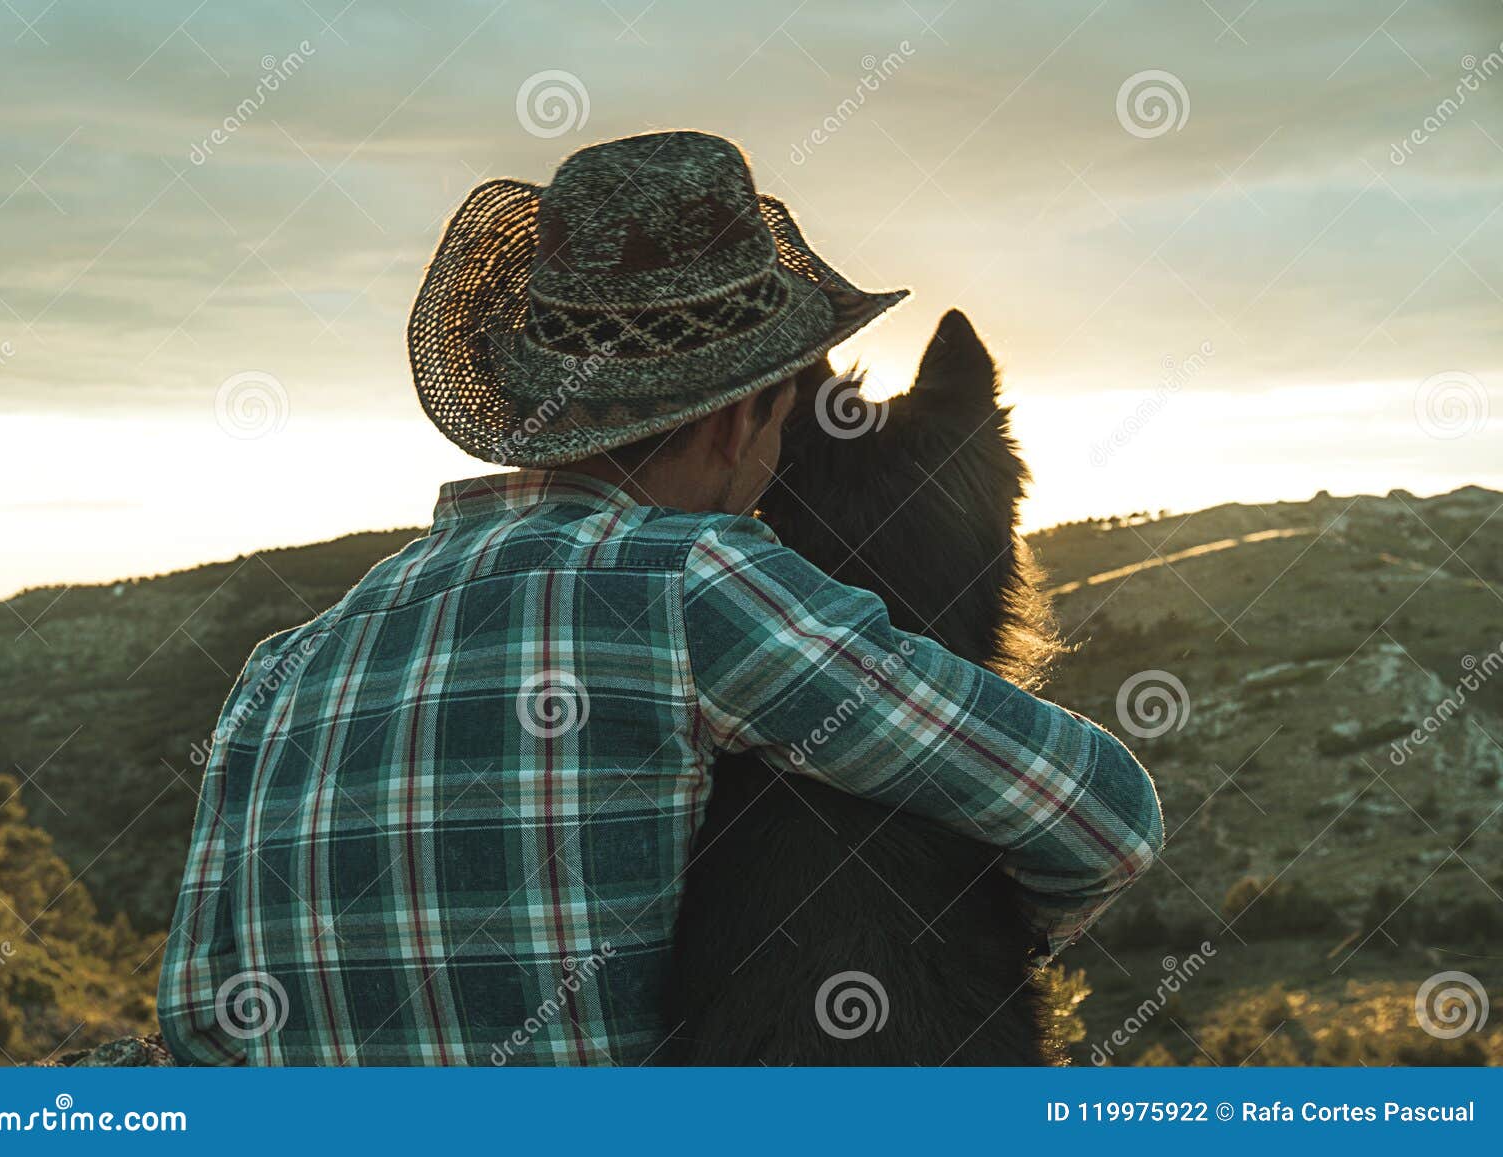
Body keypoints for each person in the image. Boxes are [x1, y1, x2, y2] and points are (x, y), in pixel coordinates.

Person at [157, 130, 1163, 1066]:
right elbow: (1102, 816)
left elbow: (201, 1024)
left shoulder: (279, 672)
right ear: (741, 419)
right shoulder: (690, 585)